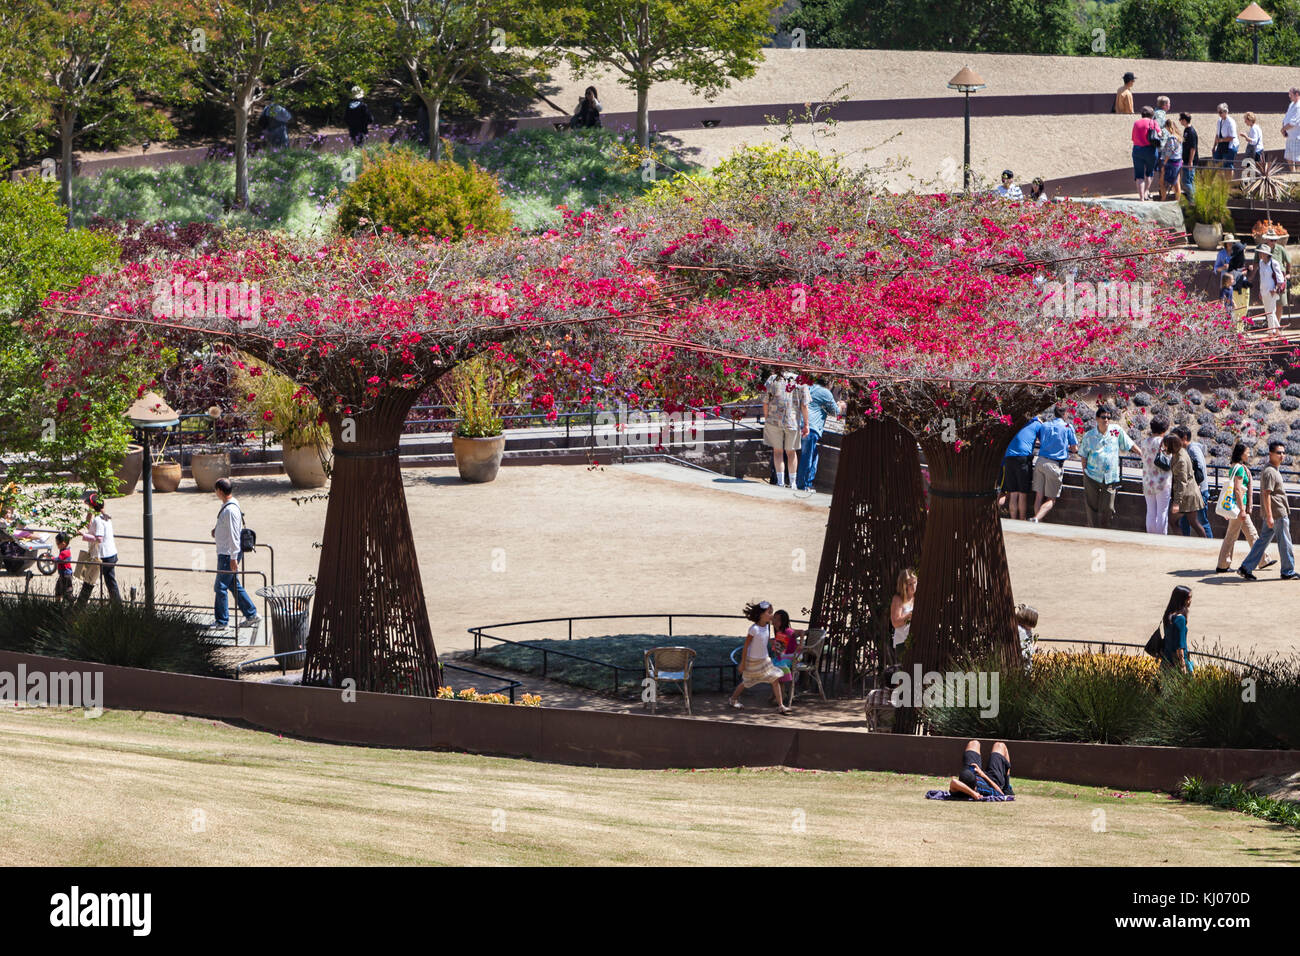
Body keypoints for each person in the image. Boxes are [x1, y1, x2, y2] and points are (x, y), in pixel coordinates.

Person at [1238, 441, 1297, 580]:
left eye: (1283, 452)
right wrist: (1270, 516)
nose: (1282, 455)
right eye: (1278, 452)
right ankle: (1287, 571)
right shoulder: (1270, 471)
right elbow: (1266, 494)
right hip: (1277, 513)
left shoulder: (1272, 469)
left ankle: (1246, 567)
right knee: (1285, 542)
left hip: (1273, 513)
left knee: (1263, 541)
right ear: (1270, 454)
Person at [211, 477, 260, 630]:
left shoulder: (230, 510)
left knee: (220, 587)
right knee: (233, 584)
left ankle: (222, 622)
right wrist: (217, 530)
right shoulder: (230, 505)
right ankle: (251, 614)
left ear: (220, 491)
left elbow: (234, 534)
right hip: (227, 553)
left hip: (227, 554)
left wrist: (233, 558)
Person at [1077, 406, 1136, 529]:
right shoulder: (1089, 435)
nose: (1106, 420)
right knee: (1091, 506)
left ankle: (1105, 529)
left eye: (1109, 417)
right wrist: (1084, 471)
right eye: (1103, 417)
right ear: (1097, 418)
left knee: (1108, 507)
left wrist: (1142, 453)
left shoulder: (1116, 431)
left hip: (1110, 476)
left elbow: (1129, 444)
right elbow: (1083, 454)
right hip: (1092, 475)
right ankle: (1093, 529)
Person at [728, 601, 791, 713]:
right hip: (753, 661)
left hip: (765, 660)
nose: (771, 615)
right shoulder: (754, 629)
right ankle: (733, 699)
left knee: (774, 679)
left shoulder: (767, 626)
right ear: (761, 614)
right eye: (769, 612)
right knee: (746, 682)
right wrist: (743, 663)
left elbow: (766, 639)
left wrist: (778, 644)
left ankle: (781, 705)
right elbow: (746, 646)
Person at [1216, 442, 1269, 572]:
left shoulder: (1235, 466)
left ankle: (1263, 560)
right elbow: (1238, 490)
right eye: (1247, 452)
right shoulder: (1239, 468)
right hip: (1239, 507)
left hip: (1238, 507)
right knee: (1232, 536)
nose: (1249, 454)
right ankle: (1223, 564)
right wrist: (1243, 509)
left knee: (1251, 534)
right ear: (1241, 453)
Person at [796, 376, 846, 491]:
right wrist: (841, 405)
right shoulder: (825, 392)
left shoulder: (808, 387)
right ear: (829, 382)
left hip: (799, 423)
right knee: (807, 457)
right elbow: (835, 412)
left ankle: (806, 482)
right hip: (812, 427)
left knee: (812, 455)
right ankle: (803, 485)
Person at [762, 367, 808, 490]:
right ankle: (793, 483)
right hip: (792, 421)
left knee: (777, 451)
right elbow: (804, 405)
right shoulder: (800, 381)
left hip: (773, 420)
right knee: (791, 452)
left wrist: (767, 418)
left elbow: (765, 401)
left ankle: (780, 482)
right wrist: (806, 424)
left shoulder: (773, 379)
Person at [1031, 404, 1078, 522]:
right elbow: (1074, 449)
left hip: (1040, 461)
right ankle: (1036, 519)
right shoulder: (1068, 427)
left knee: (1038, 497)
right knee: (1051, 499)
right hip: (1054, 465)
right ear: (1065, 414)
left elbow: (1042, 440)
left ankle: (1036, 522)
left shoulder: (1045, 425)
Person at [77, 493, 119, 606]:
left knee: (89, 581)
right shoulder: (106, 517)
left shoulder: (98, 520)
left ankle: (79, 606)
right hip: (110, 554)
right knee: (110, 582)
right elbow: (94, 530)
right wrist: (88, 520)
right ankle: (117, 606)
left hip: (102, 556)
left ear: (93, 506)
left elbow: (99, 538)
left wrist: (83, 534)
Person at [1173, 425, 1212, 538]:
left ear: (1184, 438)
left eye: (1177, 439)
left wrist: (1197, 486)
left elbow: (1200, 470)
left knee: (1201, 522)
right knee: (1184, 521)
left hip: (1198, 493)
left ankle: (1209, 545)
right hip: (1190, 493)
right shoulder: (1187, 450)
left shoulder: (1193, 449)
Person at [1001, 416, 1043, 520]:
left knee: (1013, 493)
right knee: (1022, 493)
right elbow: (1043, 440)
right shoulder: (1036, 424)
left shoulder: (1014, 421)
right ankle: (1021, 520)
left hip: (1009, 457)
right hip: (1023, 459)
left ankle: (1013, 519)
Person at [1167, 434, 1207, 538]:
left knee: (1173, 521)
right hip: (1190, 494)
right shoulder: (1181, 453)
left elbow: (1182, 482)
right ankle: (1205, 542)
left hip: (1186, 496)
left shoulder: (1180, 460)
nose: (1164, 447)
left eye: (1166, 445)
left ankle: (1182, 542)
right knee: (1193, 522)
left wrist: (1176, 503)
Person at [1138, 417, 1172, 535]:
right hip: (1162, 481)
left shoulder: (1144, 442)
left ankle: (1150, 536)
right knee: (1162, 511)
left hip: (1148, 480)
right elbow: (1170, 459)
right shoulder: (1163, 442)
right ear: (1164, 429)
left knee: (1151, 511)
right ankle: (1161, 537)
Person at [948, 740, 1014, 800]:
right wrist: (983, 775)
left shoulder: (958, 790)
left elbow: (954, 782)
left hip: (972, 774)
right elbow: (1001, 794)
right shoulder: (983, 790)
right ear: (975, 788)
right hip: (991, 780)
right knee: (1000, 745)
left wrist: (972, 793)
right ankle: (1007, 787)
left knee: (974, 743)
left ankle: (971, 773)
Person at [770, 609, 804, 700]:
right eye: (774, 619)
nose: (775, 622)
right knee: (771, 665)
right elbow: (779, 651)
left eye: (778, 620)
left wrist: (801, 644)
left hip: (793, 656)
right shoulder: (780, 632)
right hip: (785, 656)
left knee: (778, 667)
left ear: (783, 621)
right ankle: (778, 693)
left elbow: (802, 631)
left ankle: (781, 694)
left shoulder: (787, 632)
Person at [1160, 586, 1194, 673]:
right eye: (1189, 598)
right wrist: (1183, 665)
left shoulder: (1168, 615)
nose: (1190, 601)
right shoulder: (1180, 619)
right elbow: (1180, 645)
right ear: (1182, 600)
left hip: (1166, 660)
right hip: (1176, 663)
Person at [1131, 106, 1161, 201]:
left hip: (1137, 149)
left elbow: (1133, 138)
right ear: (1152, 114)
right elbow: (1159, 134)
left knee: (1139, 175)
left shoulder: (1136, 123)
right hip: (1150, 150)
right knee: (1149, 172)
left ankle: (1141, 199)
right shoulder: (1153, 122)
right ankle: (1146, 192)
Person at [1257, 244, 1287, 330]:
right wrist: (1260, 291)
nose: (1260, 255)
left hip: (1272, 291)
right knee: (1269, 312)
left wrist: (1276, 289)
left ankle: (1272, 332)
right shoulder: (1261, 263)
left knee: (1270, 312)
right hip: (1264, 291)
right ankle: (1277, 331)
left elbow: (1280, 278)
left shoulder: (1274, 263)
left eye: (1262, 253)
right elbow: (1262, 278)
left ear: (1267, 254)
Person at [890, 568, 917, 659]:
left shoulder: (918, 598)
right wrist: (910, 616)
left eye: (915, 583)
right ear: (904, 585)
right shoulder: (898, 599)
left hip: (916, 642)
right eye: (910, 584)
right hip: (903, 643)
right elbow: (895, 622)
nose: (913, 587)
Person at [1159, 118, 1183, 201]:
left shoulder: (1171, 138)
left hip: (1171, 162)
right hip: (1178, 162)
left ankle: (1163, 199)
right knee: (1177, 183)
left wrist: (1165, 163)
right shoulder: (1179, 137)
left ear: (1169, 127)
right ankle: (1177, 200)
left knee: (1162, 182)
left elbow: (1170, 151)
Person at [1212, 103, 1238, 170]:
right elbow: (1217, 134)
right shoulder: (1219, 121)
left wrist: (1221, 140)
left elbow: (1232, 137)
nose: (1219, 114)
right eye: (1218, 112)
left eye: (1220, 112)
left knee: (1228, 166)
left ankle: (1229, 180)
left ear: (1226, 112)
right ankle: (1221, 180)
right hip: (1221, 145)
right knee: (1217, 163)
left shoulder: (1231, 122)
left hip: (1230, 146)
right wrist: (1214, 146)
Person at [1179, 112, 1199, 199]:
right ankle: (1192, 199)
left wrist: (1190, 161)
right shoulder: (1186, 130)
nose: (1179, 121)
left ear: (1184, 120)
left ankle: (1192, 200)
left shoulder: (1191, 132)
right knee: (1189, 181)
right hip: (1186, 159)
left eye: (1180, 119)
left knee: (1186, 181)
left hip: (1190, 161)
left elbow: (1193, 148)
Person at [54, 531, 74, 603]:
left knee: (66, 590)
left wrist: (51, 558)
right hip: (63, 574)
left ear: (63, 544)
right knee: (59, 588)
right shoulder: (65, 550)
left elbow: (58, 560)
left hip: (65, 574)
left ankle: (71, 602)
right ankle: (58, 603)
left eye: (58, 543)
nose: (57, 545)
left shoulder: (64, 552)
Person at [1283, 87, 1300, 170]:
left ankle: (1298, 176)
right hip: (1290, 136)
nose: (1289, 96)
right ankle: (1293, 174)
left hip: (1296, 137)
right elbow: (1286, 117)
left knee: (1297, 159)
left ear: (1297, 94)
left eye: (1291, 94)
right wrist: (1284, 129)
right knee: (1288, 157)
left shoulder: (1299, 106)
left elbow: (1293, 123)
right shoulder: (1291, 104)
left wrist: (1283, 129)